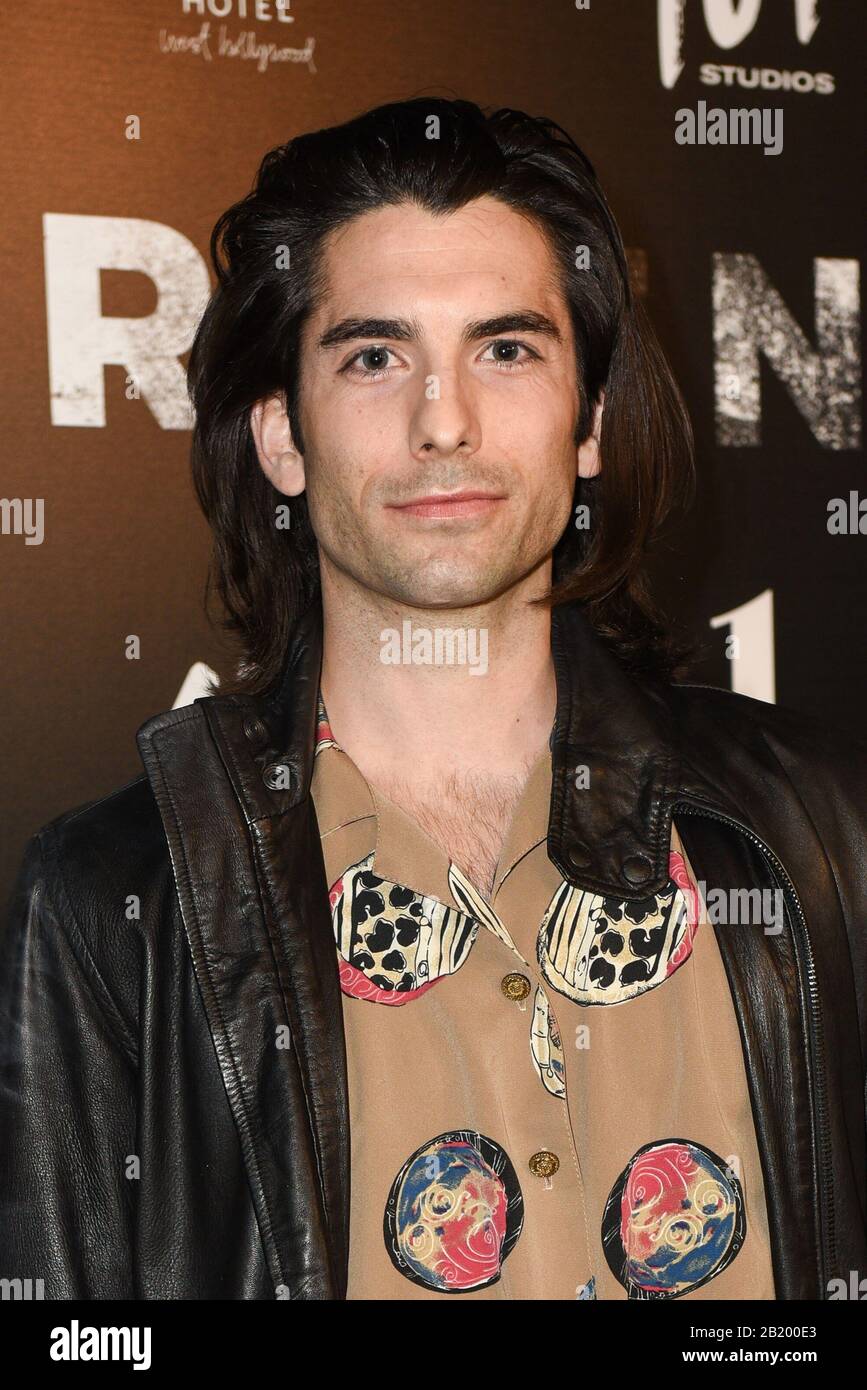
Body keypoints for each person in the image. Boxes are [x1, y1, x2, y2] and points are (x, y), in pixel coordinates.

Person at [1, 97, 865, 1302]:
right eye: (374, 356)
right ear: (281, 439)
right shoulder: (119, 901)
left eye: (506, 349)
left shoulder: (817, 831)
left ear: (593, 423)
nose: (443, 421)